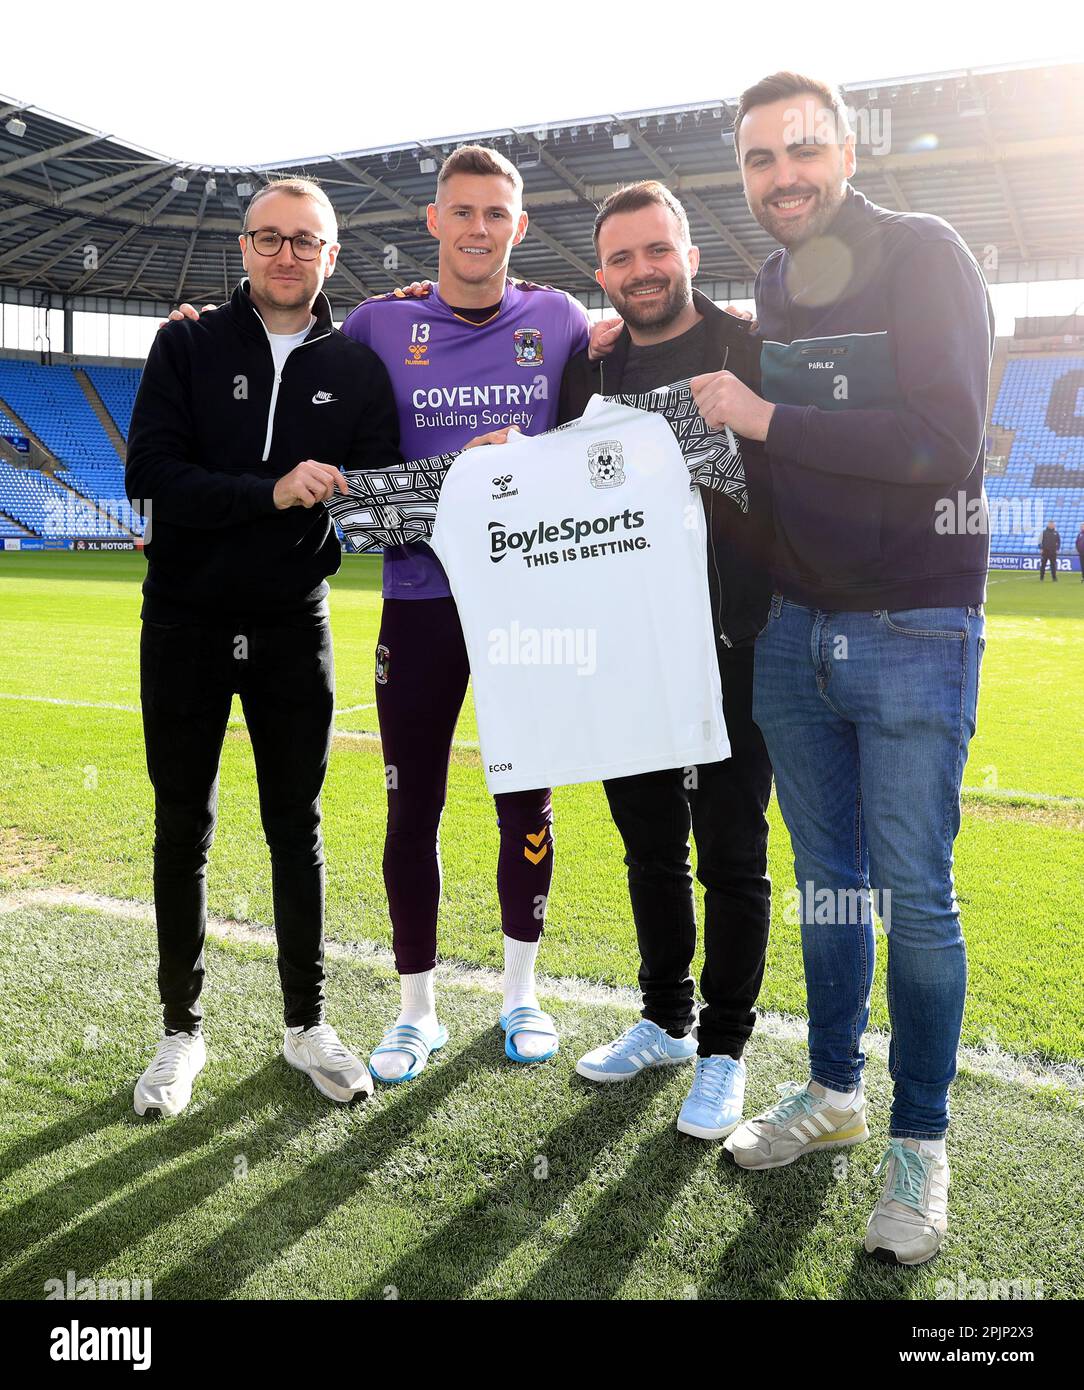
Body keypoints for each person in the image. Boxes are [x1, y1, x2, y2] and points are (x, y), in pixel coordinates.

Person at [690, 73, 993, 1265]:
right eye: (760, 159)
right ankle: (831, 1092)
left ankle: (919, 1142)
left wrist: (770, 421)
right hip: (792, 631)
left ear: (846, 146)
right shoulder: (771, 282)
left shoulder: (927, 256)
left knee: (913, 894)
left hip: (913, 624)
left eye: (802, 148)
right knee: (828, 884)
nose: (783, 175)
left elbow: (945, 435)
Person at [125, 177, 401, 1116]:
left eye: (305, 241)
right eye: (268, 238)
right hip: (185, 624)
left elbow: (374, 502)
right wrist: (269, 491)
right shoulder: (186, 342)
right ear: (244, 247)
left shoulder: (360, 368)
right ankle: (179, 1033)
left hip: (293, 626)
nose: (286, 255)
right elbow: (150, 471)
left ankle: (305, 1026)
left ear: (332, 254)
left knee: (298, 825)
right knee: (182, 828)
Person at [338, 145, 612, 1081]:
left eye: (496, 214)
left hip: (525, 604)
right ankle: (416, 1009)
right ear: (433, 222)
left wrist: (725, 329)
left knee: (525, 803)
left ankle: (519, 993)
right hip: (417, 605)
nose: (478, 229)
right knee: (411, 809)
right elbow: (299, 374)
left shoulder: (560, 317)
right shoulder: (379, 324)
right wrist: (206, 326)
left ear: (519, 226)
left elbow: (598, 428)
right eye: (462, 212)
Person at [555, 181, 773, 1142]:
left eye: (657, 250)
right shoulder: (588, 370)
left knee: (731, 852)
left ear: (687, 251)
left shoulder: (747, 348)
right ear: (600, 273)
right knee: (649, 846)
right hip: (623, 647)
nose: (642, 271)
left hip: (732, 646)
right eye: (621, 258)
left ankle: (725, 1048)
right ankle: (664, 1019)